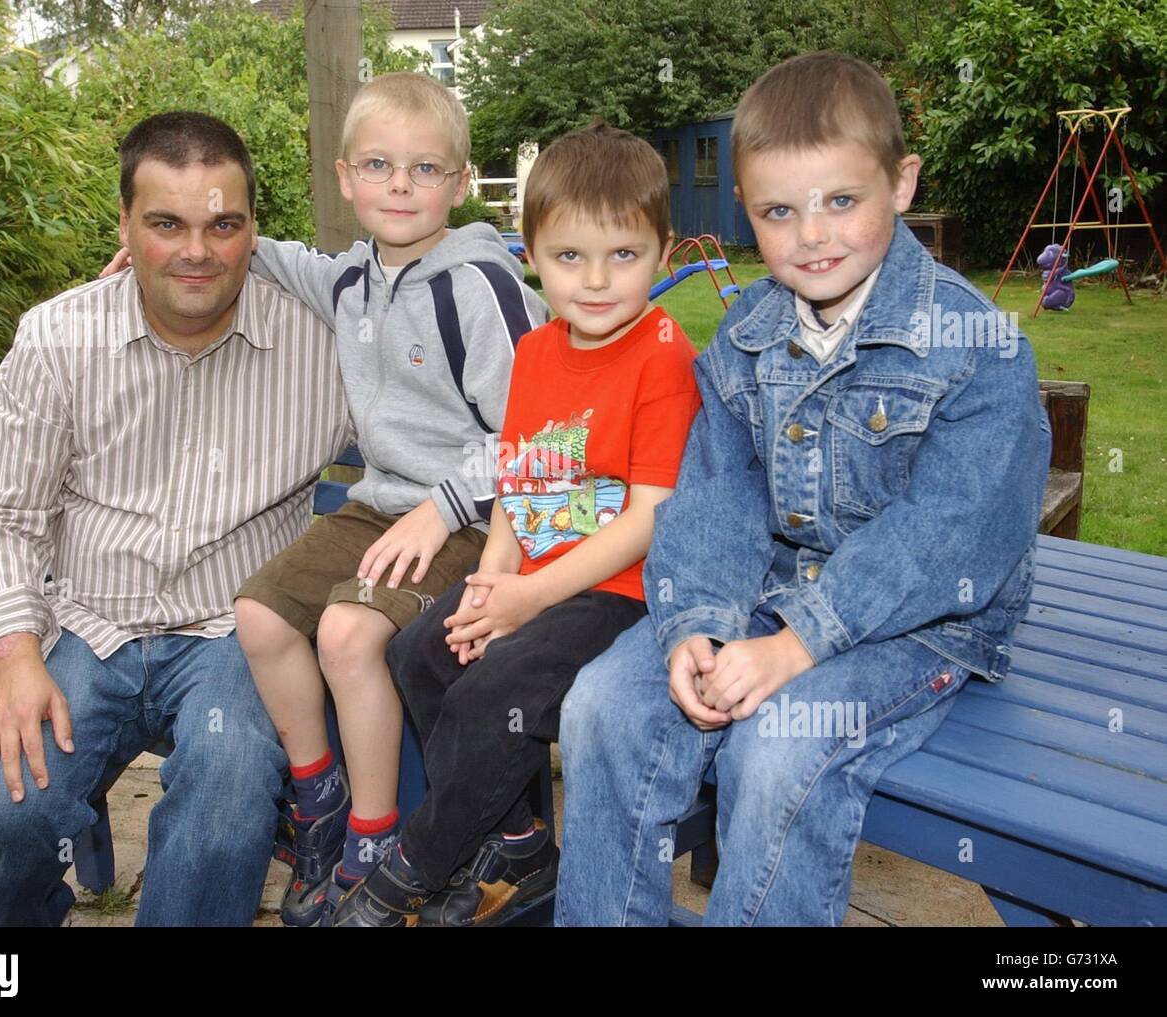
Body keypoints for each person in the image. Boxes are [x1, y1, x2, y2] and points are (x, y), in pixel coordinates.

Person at [555, 52, 1052, 926]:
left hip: (925, 619)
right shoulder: (748, 334)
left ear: (900, 184)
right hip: (772, 590)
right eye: (780, 211)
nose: (812, 234)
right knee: (601, 706)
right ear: (746, 210)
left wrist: (797, 646)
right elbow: (714, 495)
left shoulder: (974, 344)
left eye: (840, 201)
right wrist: (699, 621)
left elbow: (949, 537)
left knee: (778, 749)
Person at [0, 112, 350, 926]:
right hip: (86, 620)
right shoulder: (58, 336)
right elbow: (2, 513)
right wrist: (15, 658)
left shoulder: (321, 343)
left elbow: (444, 386)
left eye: (222, 224)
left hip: (236, 628)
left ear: (254, 229)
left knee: (227, 795)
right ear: (124, 224)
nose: (197, 251)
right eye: (166, 224)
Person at [327, 121, 702, 927]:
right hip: (537, 573)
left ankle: (414, 868)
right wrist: (493, 579)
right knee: (421, 650)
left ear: (664, 255)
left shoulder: (662, 354)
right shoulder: (536, 353)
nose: (595, 281)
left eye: (624, 256)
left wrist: (525, 601)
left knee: (492, 688)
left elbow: (648, 517)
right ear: (530, 253)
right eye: (570, 257)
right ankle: (521, 841)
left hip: (622, 590)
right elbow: (520, 481)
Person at [231, 72, 546, 925]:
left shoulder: (478, 288)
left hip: (479, 516)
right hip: (379, 505)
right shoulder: (352, 279)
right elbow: (284, 260)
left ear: (460, 180)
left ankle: (374, 845)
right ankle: (318, 798)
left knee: (346, 630)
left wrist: (444, 505)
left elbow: (542, 430)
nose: (399, 185)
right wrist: (228, 244)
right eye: (377, 165)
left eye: (423, 168)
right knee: (258, 616)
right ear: (344, 178)